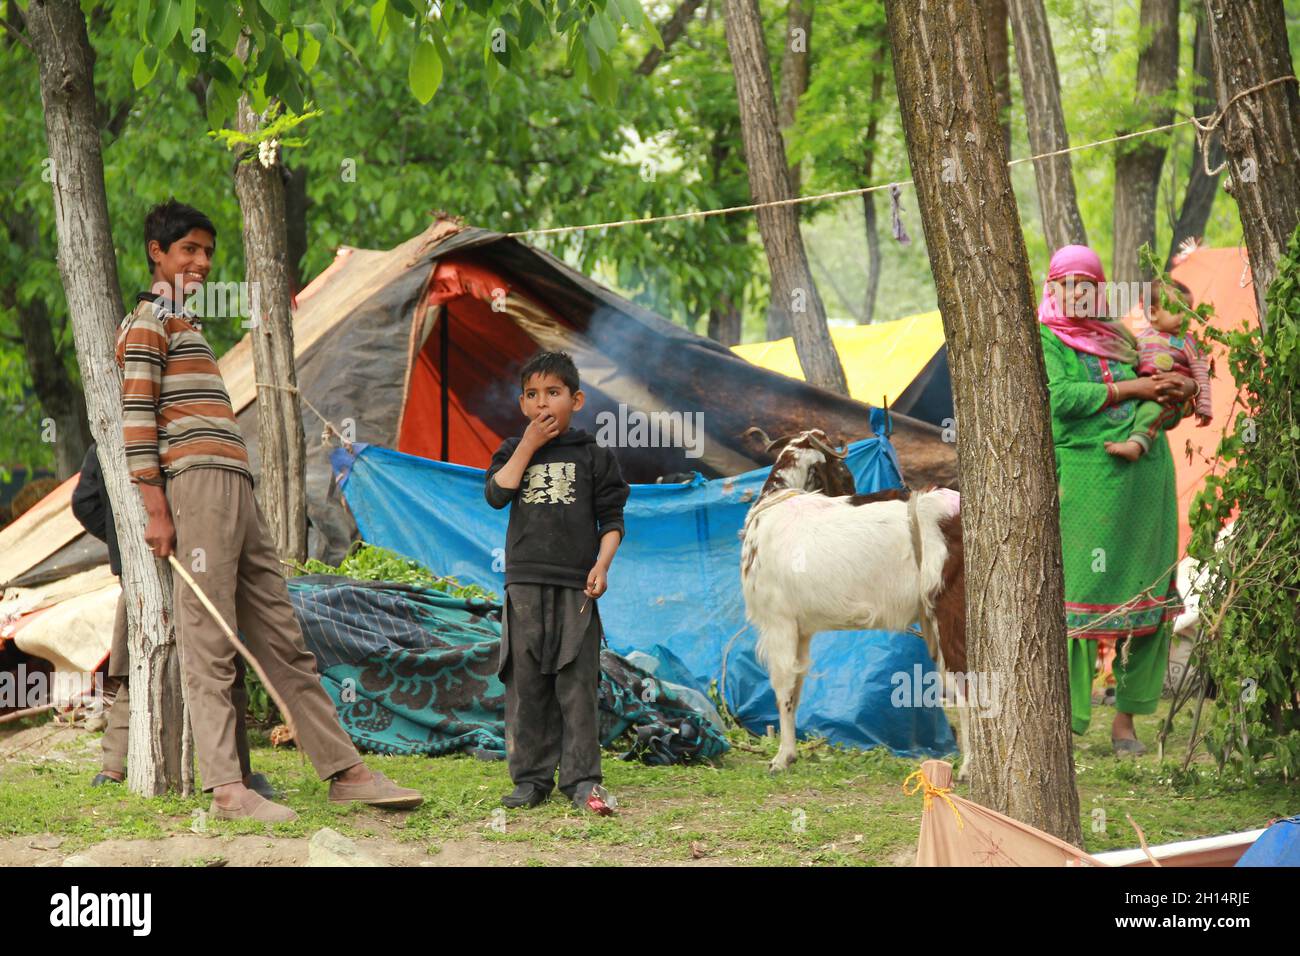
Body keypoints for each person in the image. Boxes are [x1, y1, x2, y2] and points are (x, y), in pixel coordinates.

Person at [116, 198, 422, 821]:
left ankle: (345, 771)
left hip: (235, 488)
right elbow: (135, 423)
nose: (200, 261)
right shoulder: (147, 322)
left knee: (284, 638)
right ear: (157, 253)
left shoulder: (191, 326)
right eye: (188, 251)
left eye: (206, 251)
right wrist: (156, 511)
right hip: (193, 487)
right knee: (209, 642)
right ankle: (228, 789)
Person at [1037, 245, 1197, 755]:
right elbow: (1061, 400)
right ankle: (1070, 720)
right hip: (1086, 478)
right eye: (1069, 282)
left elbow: (1163, 402)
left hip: (1147, 478)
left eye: (1089, 282)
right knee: (1078, 599)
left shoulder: (1124, 337)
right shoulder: (1046, 336)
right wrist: (1134, 390)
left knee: (1147, 593)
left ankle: (1125, 722)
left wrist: (1174, 393)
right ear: (1054, 287)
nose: (1079, 292)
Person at [71, 442, 279, 798]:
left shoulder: (109, 440)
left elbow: (85, 502)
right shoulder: (182, 438)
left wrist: (128, 542)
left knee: (137, 674)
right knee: (222, 669)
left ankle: (114, 768)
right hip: (197, 567)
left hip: (140, 573)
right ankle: (238, 775)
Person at [485, 350, 629, 813]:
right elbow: (496, 494)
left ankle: (582, 779)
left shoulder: (594, 456)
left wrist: (601, 566)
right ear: (522, 404)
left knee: (576, 684)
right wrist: (527, 446)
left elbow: (612, 520)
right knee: (525, 686)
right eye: (532, 395)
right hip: (523, 586)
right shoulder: (511, 450)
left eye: (554, 393)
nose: (542, 403)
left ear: (577, 399)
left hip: (575, 588)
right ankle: (530, 779)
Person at [1105, 278, 1213, 462]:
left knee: (1151, 411)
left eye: (1188, 311)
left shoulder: (1188, 342)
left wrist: (1203, 406)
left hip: (1170, 400)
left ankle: (1135, 445)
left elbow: (1201, 373)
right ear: (1153, 313)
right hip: (1143, 393)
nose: (1184, 318)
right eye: (1177, 311)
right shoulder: (1140, 339)